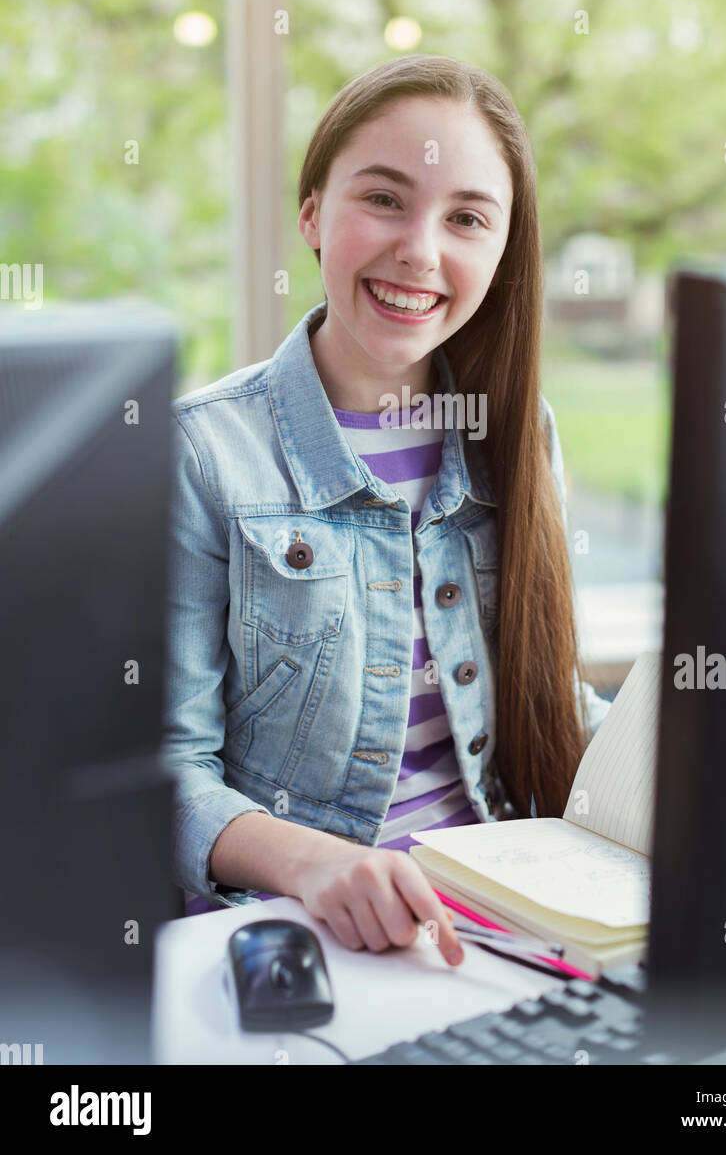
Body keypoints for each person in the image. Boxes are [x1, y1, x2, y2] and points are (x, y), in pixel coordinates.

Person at [162, 53, 610, 970]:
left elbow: (547, 701)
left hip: (512, 924)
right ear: (313, 213)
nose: (421, 250)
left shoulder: (520, 438)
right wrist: (317, 866)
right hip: (307, 935)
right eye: (385, 199)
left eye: (467, 219)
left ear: (502, 249)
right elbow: (161, 773)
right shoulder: (203, 453)